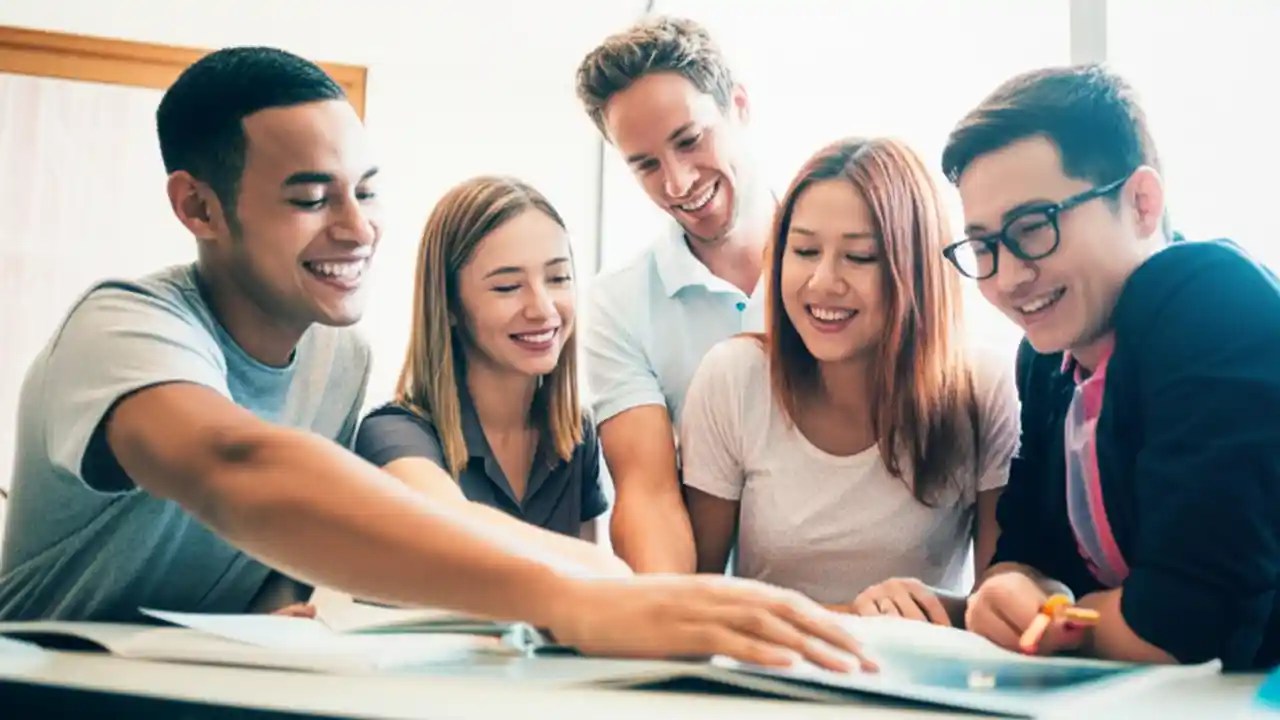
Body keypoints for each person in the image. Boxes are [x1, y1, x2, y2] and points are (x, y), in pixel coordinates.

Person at [0, 45, 873, 672]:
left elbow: (269, 555)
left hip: (200, 677)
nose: (357, 229)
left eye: (368, 192)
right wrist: (591, 595)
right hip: (50, 680)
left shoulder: (338, 354)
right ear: (198, 206)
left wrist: (283, 602)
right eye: (311, 199)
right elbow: (238, 469)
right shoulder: (124, 326)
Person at [942, 64, 1280, 670]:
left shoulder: (1209, 298)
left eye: (1033, 228)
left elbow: (1190, 620)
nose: (1009, 276)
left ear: (1142, 203)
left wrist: (1064, 622)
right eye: (985, 246)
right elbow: (1025, 554)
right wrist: (1011, 590)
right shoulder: (1047, 364)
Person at [680, 138, 1018, 625]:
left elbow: (1000, 611)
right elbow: (692, 597)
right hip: (774, 675)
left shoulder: (983, 389)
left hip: (921, 679)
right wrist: (853, 616)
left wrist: (943, 609)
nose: (822, 282)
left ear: (917, 270)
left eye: (859, 257)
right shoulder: (735, 378)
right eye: (804, 250)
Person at [575, 16, 776, 572]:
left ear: (738, 106)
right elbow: (647, 492)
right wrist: (675, 613)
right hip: (725, 613)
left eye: (690, 141)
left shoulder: (849, 257)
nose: (678, 182)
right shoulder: (619, 306)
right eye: (645, 165)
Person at [354, 176, 620, 572]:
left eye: (558, 278)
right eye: (508, 286)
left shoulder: (576, 436)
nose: (543, 308)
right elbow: (456, 532)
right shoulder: (394, 436)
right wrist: (612, 575)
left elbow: (591, 599)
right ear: (449, 306)